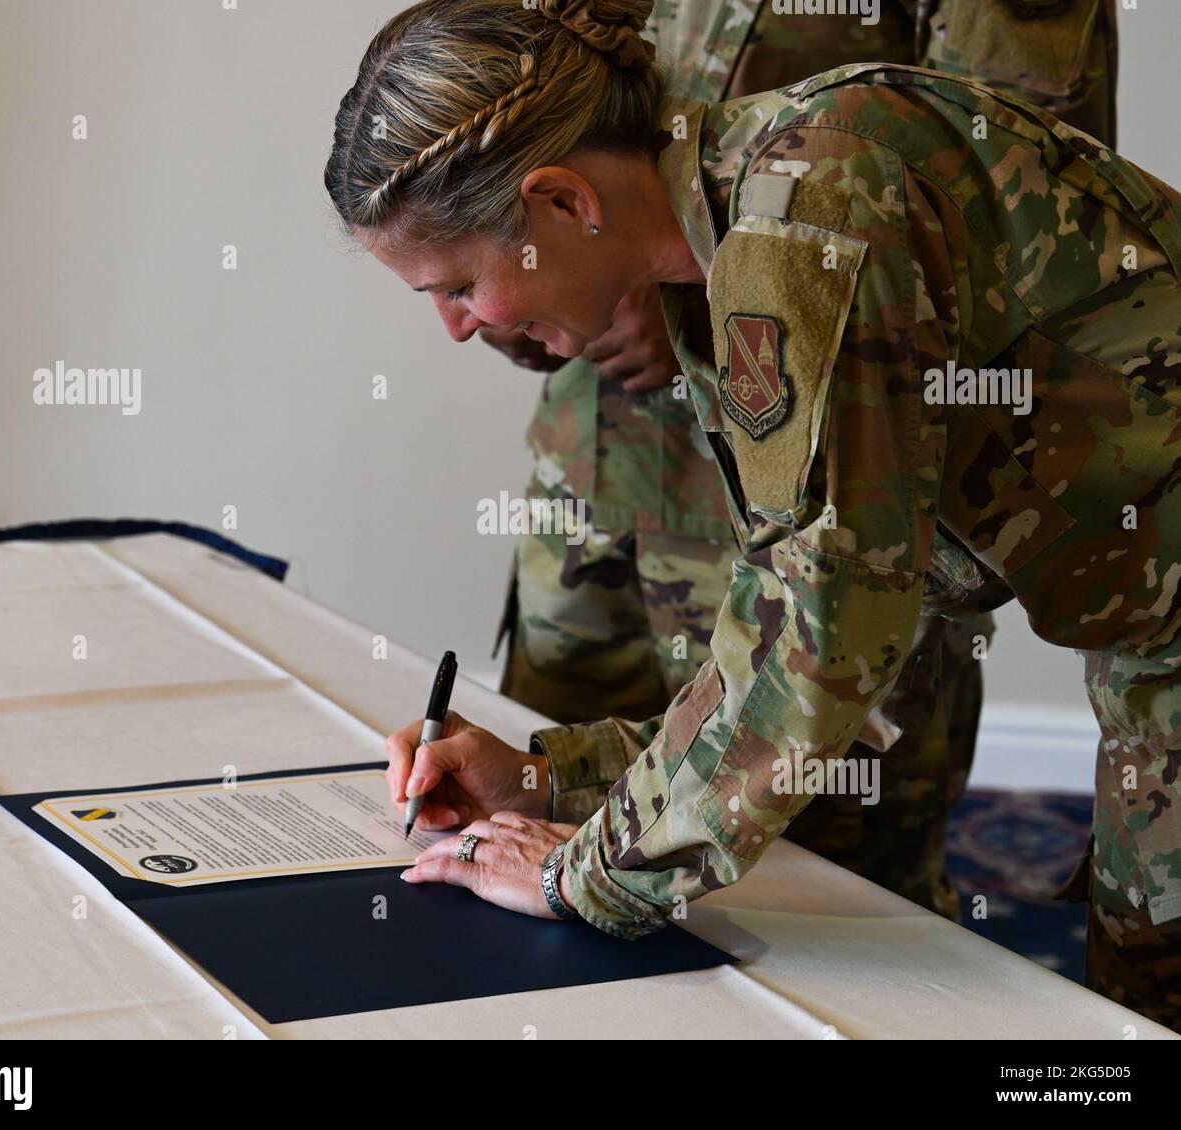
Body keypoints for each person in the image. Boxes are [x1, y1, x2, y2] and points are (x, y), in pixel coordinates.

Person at [324, 0, 1181, 1027]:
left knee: (1148, 989)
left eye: (457, 284)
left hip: (1155, 630)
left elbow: (824, 643)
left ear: (560, 200)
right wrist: (553, 774)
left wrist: (583, 874)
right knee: (1140, 977)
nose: (458, 329)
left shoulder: (803, 219)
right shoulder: (731, 239)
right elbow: (789, 620)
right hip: (1144, 631)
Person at [486, 0, 1117, 920]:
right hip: (597, 468)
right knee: (544, 812)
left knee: (831, 898)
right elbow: (497, 123)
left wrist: (696, 286)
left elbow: (1005, 201)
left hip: (839, 469)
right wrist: (539, 281)